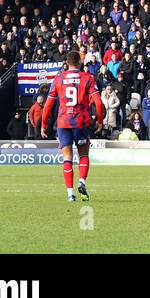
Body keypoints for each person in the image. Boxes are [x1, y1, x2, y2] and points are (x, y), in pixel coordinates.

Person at [40, 51, 103, 203]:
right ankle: (81, 181)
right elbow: (99, 103)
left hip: (63, 122)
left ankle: (70, 194)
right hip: (81, 122)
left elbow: (48, 105)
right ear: (80, 62)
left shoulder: (58, 78)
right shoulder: (88, 78)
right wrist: (100, 120)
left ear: (67, 63)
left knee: (67, 157)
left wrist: (43, 124)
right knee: (84, 155)